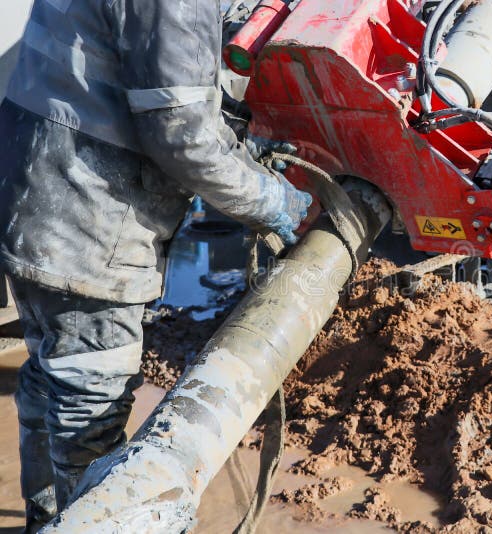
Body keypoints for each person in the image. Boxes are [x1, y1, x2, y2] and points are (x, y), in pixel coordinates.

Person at [0, 1, 312, 530]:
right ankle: (82, 520)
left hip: (33, 189)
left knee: (51, 371)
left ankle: (45, 516)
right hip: (84, 211)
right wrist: (275, 201)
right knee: (89, 400)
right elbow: (182, 133)